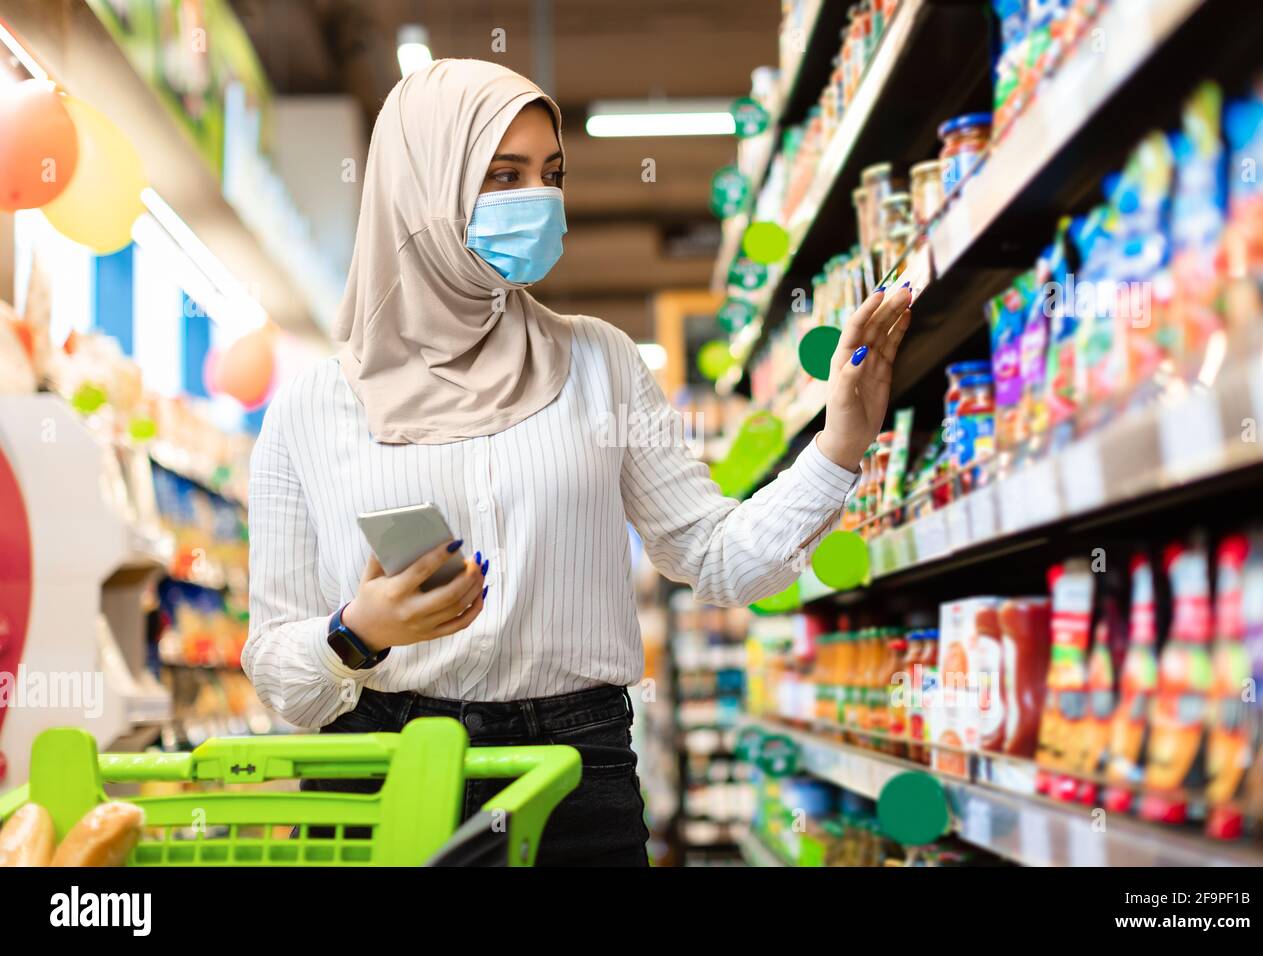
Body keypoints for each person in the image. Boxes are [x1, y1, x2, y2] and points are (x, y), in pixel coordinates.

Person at [244, 58, 911, 866]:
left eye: (552, 174)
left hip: (575, 765)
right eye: (504, 174)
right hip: (385, 771)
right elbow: (279, 671)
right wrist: (357, 634)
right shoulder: (312, 406)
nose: (541, 199)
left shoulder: (601, 362)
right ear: (423, 185)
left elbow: (715, 555)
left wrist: (840, 441)